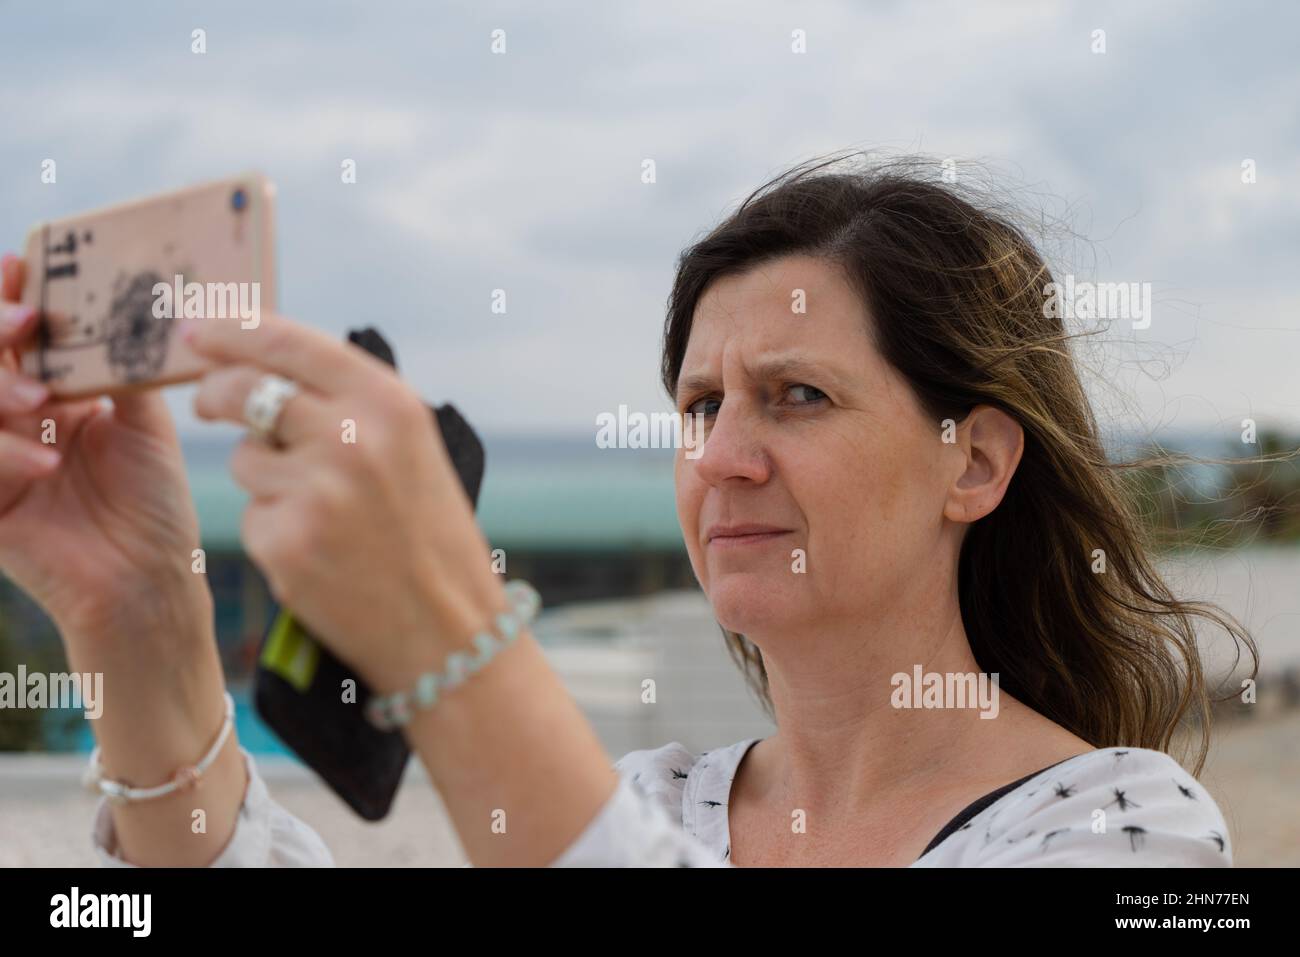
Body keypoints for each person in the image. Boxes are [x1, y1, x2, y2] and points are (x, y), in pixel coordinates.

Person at [0, 153, 1252, 867]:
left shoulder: (1126, 830)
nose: (723, 456)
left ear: (972, 463)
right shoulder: (653, 803)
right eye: (700, 404)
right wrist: (140, 612)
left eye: (798, 396)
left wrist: (448, 633)